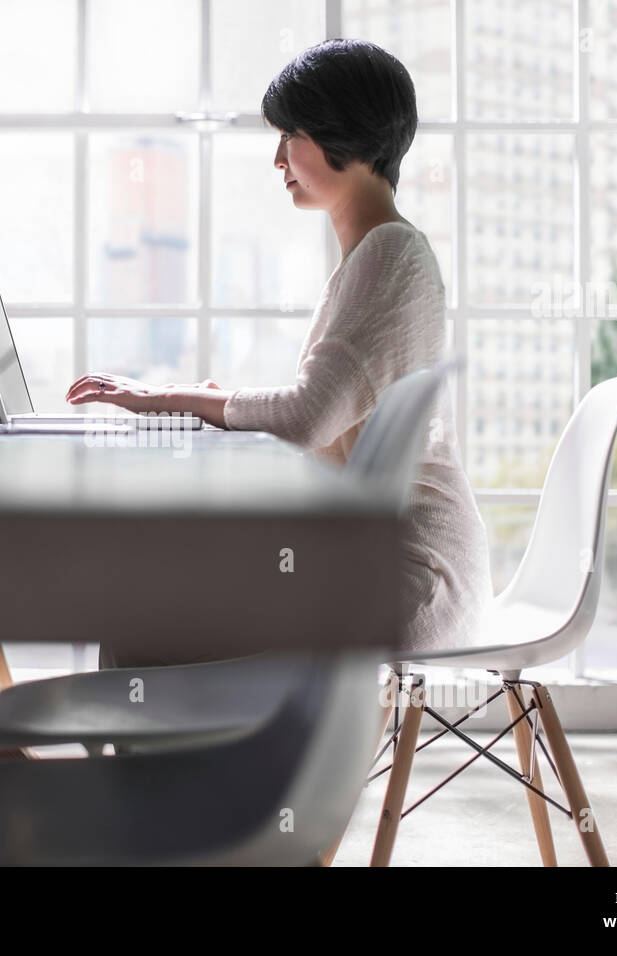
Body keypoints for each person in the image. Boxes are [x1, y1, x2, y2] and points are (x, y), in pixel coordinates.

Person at [68, 39, 493, 668]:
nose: (277, 158)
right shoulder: (376, 255)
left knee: (149, 622)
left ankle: (174, 766)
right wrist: (211, 401)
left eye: (290, 135)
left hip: (411, 577)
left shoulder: (389, 256)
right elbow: (331, 412)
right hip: (381, 559)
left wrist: (169, 398)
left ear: (339, 133)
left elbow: (309, 416)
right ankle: (196, 765)